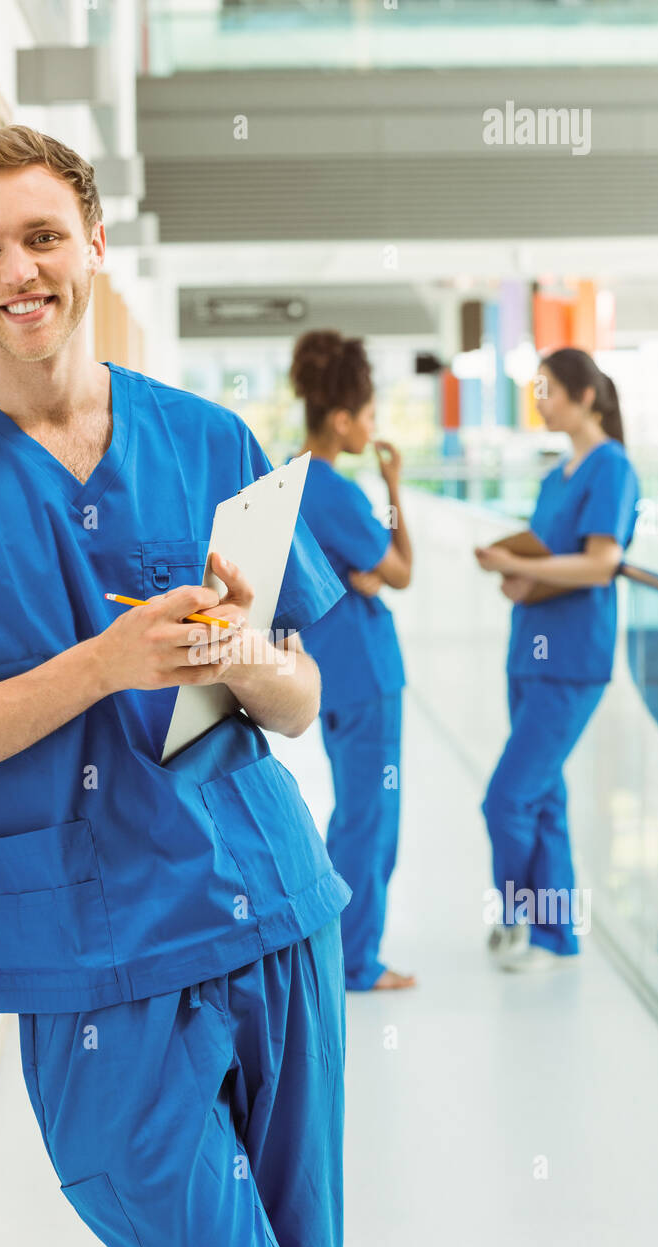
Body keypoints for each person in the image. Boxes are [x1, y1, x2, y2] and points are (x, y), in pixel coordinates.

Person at [0, 125, 355, 1247]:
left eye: (41, 237)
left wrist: (240, 657)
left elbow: (297, 701)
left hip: (272, 904)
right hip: (91, 961)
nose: (17, 271)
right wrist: (100, 665)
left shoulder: (207, 437)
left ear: (92, 242)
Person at [475, 348, 640, 973]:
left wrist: (521, 566)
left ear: (585, 396)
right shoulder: (556, 476)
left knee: (507, 798)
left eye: (548, 390)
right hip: (529, 650)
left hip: (572, 660)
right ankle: (557, 935)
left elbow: (600, 562)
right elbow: (546, 561)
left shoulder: (611, 468)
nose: (540, 402)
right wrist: (516, 573)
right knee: (542, 796)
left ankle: (520, 920)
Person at [288, 331, 415, 991]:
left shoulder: (289, 475)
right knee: (370, 821)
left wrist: (365, 573)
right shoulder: (335, 490)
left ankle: (337, 952)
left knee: (355, 812)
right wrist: (393, 486)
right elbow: (398, 571)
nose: (372, 426)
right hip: (367, 675)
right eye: (367, 414)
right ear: (341, 420)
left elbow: (356, 574)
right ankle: (353, 962)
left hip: (333, 674)